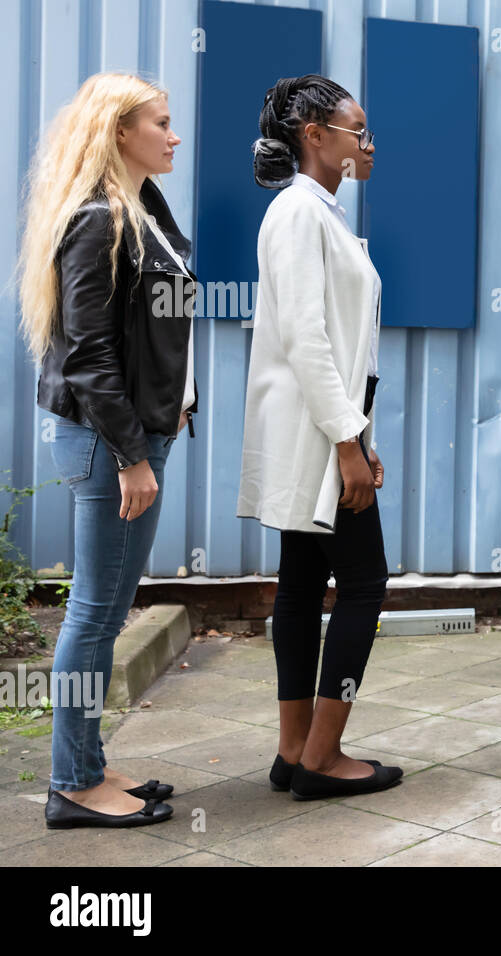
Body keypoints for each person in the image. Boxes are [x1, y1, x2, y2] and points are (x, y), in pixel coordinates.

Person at [20, 73, 196, 828]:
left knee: (106, 609)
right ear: (120, 132)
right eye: (160, 121)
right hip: (109, 443)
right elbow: (88, 352)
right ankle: (71, 784)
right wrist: (132, 454)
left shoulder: (143, 210)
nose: (173, 134)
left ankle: (87, 763)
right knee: (93, 615)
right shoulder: (98, 220)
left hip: (135, 433)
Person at [237, 74, 400, 800]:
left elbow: (335, 341)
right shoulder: (300, 214)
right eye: (356, 129)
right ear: (315, 135)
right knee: (365, 582)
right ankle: (324, 758)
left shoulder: (314, 212)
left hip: (327, 425)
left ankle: (294, 749)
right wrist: (346, 442)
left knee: (302, 583)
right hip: (318, 431)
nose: (366, 142)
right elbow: (307, 338)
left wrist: (357, 433)